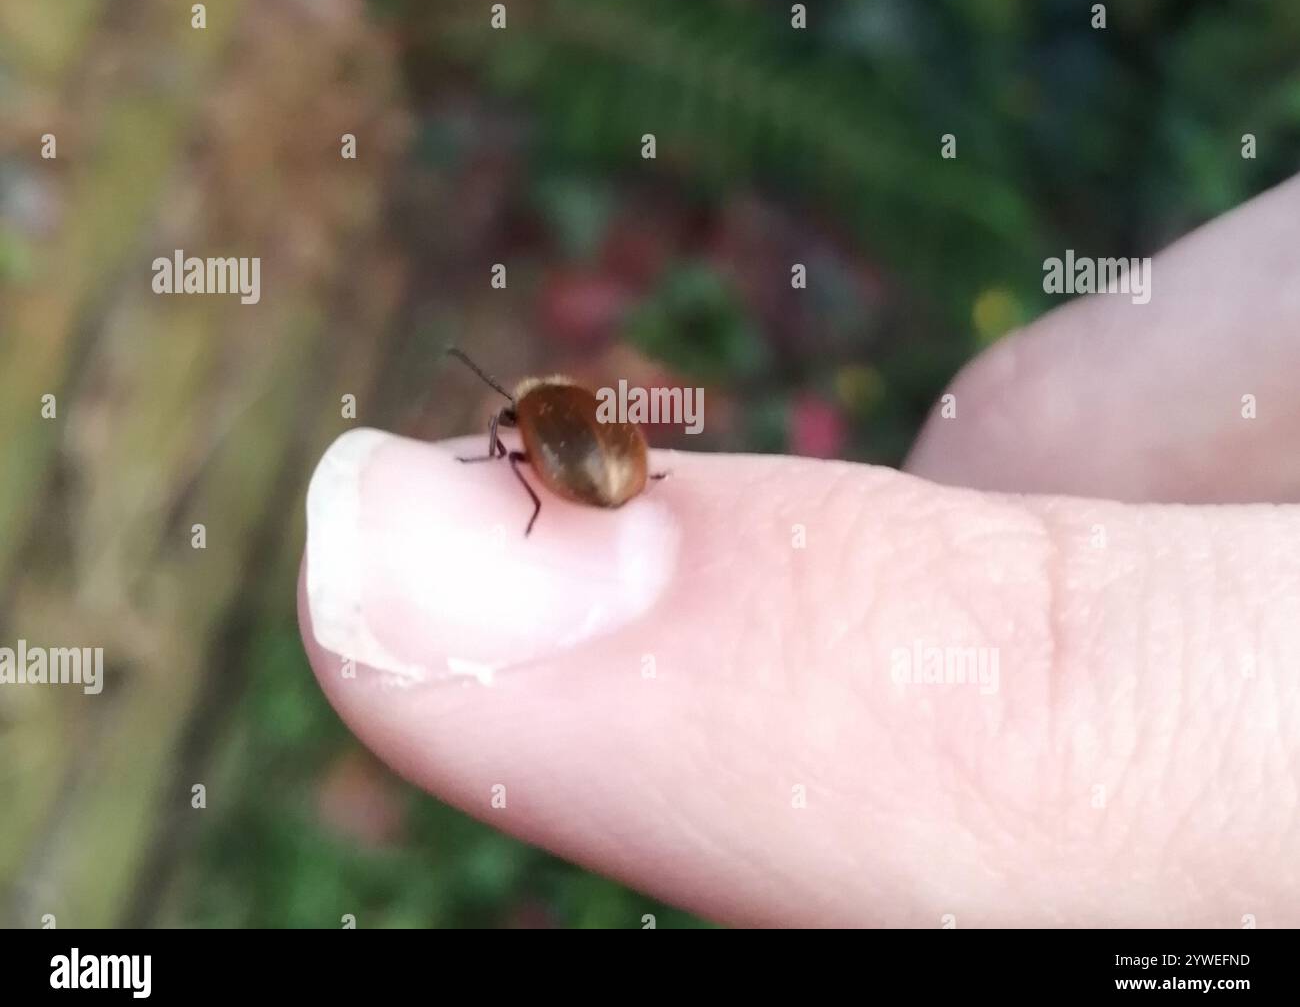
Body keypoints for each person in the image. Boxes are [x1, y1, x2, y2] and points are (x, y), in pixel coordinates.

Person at [298, 173, 1300, 927]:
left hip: (608, 474)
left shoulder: (541, 428)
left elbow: (545, 454)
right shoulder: (554, 418)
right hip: (612, 471)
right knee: (1011, 416)